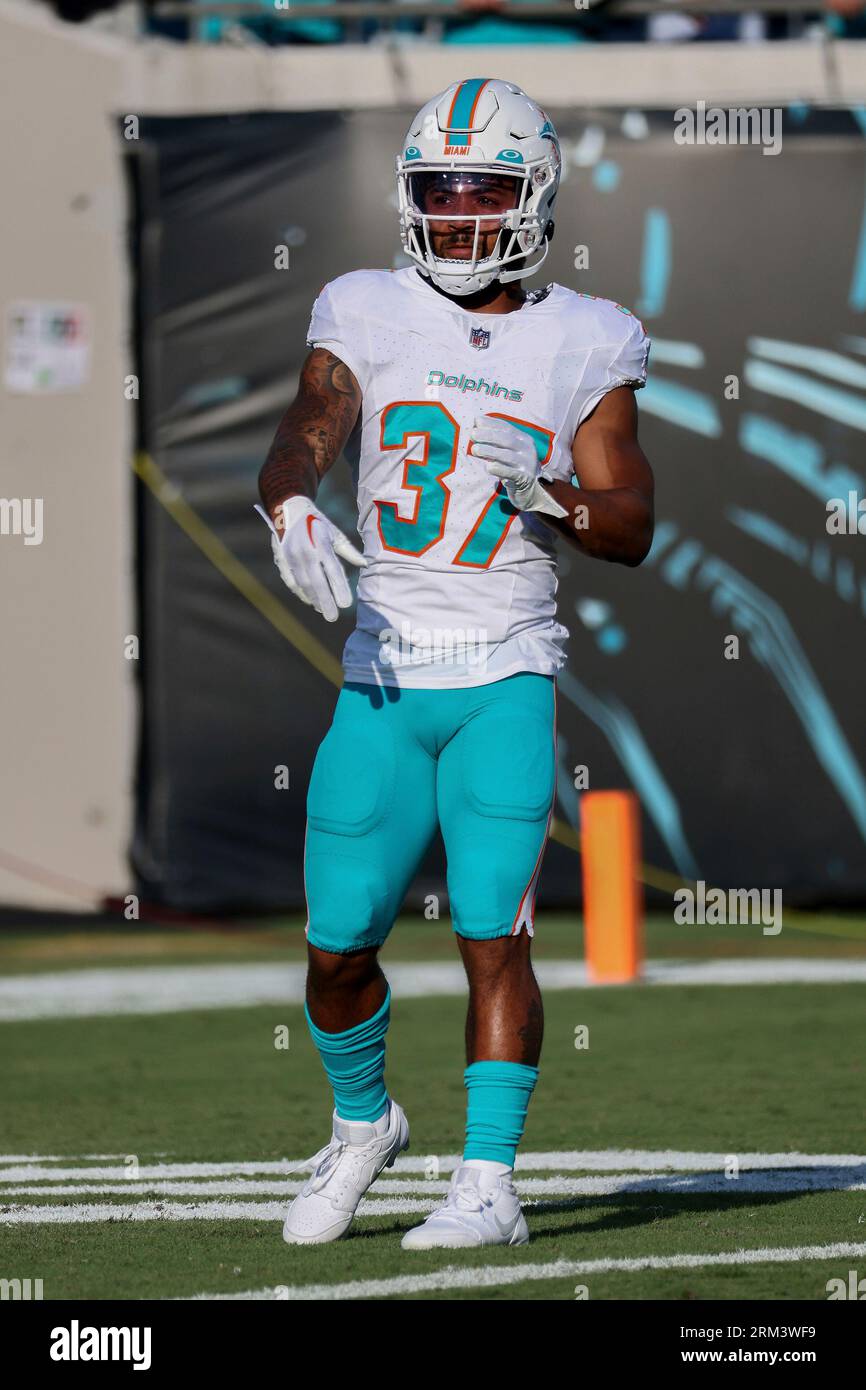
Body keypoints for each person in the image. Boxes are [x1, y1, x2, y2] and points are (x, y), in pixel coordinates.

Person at [257, 76, 654, 1251]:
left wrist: (561, 500)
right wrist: (287, 503)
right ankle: (364, 1121)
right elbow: (308, 426)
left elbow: (630, 520)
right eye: (437, 188)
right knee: (334, 952)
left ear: (533, 197)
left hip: (503, 669)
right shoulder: (364, 305)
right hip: (382, 670)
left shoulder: (586, 334)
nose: (457, 211)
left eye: (482, 187)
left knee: (495, 925)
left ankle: (489, 1182)